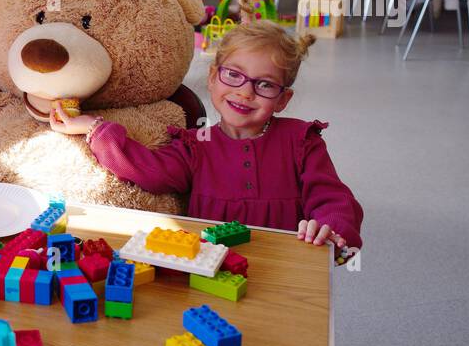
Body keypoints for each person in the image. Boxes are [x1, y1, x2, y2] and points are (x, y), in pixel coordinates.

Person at [48, 20, 363, 256]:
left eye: (265, 85)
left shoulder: (302, 140)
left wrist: (330, 226)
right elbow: (149, 170)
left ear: (282, 99)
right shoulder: (197, 141)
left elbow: (333, 198)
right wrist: (95, 129)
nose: (245, 91)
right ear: (213, 79)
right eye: (233, 75)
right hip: (211, 267)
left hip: (285, 264)